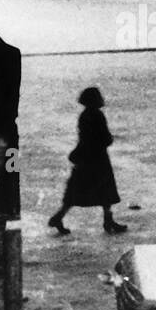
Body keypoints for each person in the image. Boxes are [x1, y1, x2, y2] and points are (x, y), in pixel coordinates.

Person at [48, 87, 127, 235]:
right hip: (98, 159)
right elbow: (105, 138)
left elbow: (84, 138)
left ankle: (58, 217)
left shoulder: (84, 116)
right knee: (105, 191)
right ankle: (108, 221)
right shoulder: (97, 115)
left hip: (86, 158)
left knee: (75, 192)